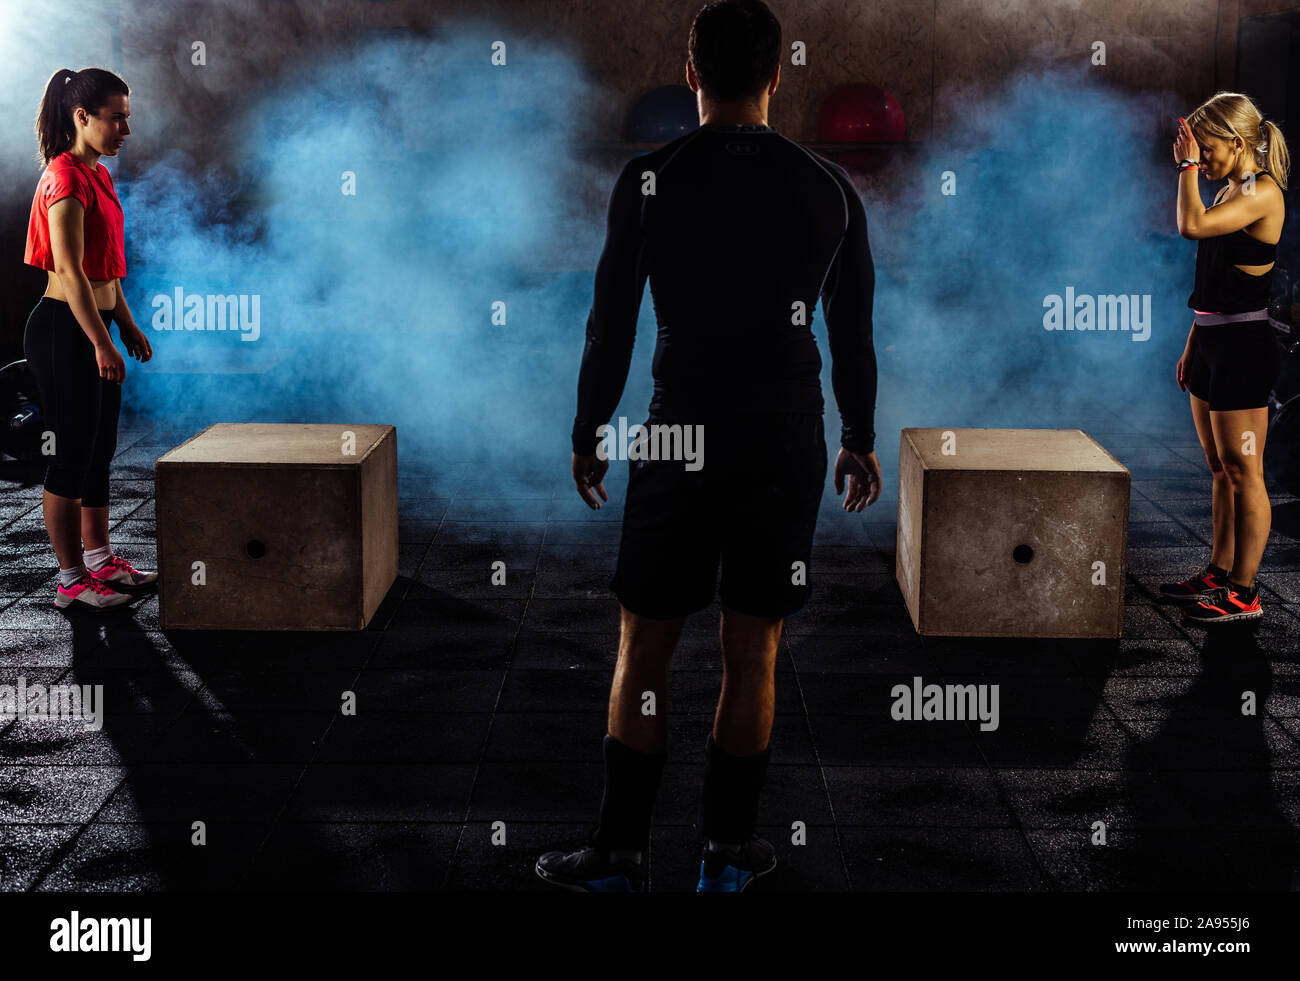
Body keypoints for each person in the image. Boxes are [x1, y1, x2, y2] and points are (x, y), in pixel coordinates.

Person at [536, 0, 882, 892]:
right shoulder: (829, 186)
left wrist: (588, 429)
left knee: (643, 645)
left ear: (691, 74)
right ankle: (725, 855)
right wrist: (860, 438)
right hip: (785, 437)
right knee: (752, 648)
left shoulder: (650, 179)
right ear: (778, 74)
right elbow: (854, 336)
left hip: (680, 431)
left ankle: (617, 855)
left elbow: (608, 324)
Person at [23, 67, 156, 612]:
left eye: (128, 116)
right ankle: (70, 580)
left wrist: (125, 322)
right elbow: (73, 275)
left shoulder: (96, 173)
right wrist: (101, 342)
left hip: (93, 325)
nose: (126, 127)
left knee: (99, 451)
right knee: (71, 455)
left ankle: (99, 561)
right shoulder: (65, 178)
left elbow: (105, 271)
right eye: (117, 117)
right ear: (83, 117)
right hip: (64, 330)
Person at [1165, 92, 1289, 624]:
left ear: (1238, 143)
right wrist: (1193, 343)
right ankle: (1218, 571)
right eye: (1199, 150)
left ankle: (1245, 591)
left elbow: (1188, 226)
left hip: (1244, 348)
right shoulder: (1223, 192)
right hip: (1212, 343)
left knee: (1245, 471)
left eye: (1209, 147)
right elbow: (1212, 283)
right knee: (1219, 468)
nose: (1202, 157)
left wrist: (1187, 167)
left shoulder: (1262, 194)